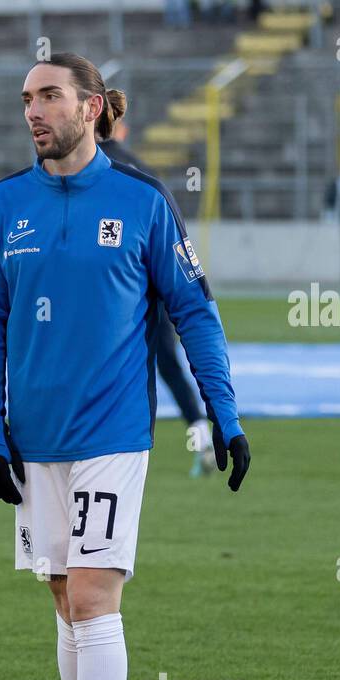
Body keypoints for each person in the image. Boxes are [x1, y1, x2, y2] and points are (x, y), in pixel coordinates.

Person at [0, 53, 250, 680]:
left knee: (93, 594)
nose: (35, 110)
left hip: (113, 432)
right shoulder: (1, 206)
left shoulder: (142, 200)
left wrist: (222, 415)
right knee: (64, 597)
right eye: (26, 97)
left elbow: (193, 311)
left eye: (50, 96)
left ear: (91, 107)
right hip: (35, 439)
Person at [104, 120, 214, 477]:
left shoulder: (81, 169)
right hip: (153, 279)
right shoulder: (142, 171)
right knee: (167, 361)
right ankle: (200, 432)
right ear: (120, 129)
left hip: (110, 286)